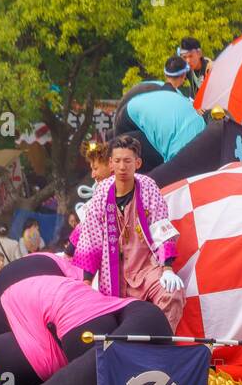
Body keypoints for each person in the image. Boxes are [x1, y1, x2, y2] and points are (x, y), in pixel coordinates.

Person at [71, 134, 184, 327]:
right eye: (117, 161)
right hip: (112, 272)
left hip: (145, 268)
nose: (122, 167)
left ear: (137, 163)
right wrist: (87, 282)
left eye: (127, 161)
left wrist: (167, 269)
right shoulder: (101, 194)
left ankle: (162, 346)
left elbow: (161, 227)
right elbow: (91, 239)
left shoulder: (148, 187)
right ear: (111, 163)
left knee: (171, 293)